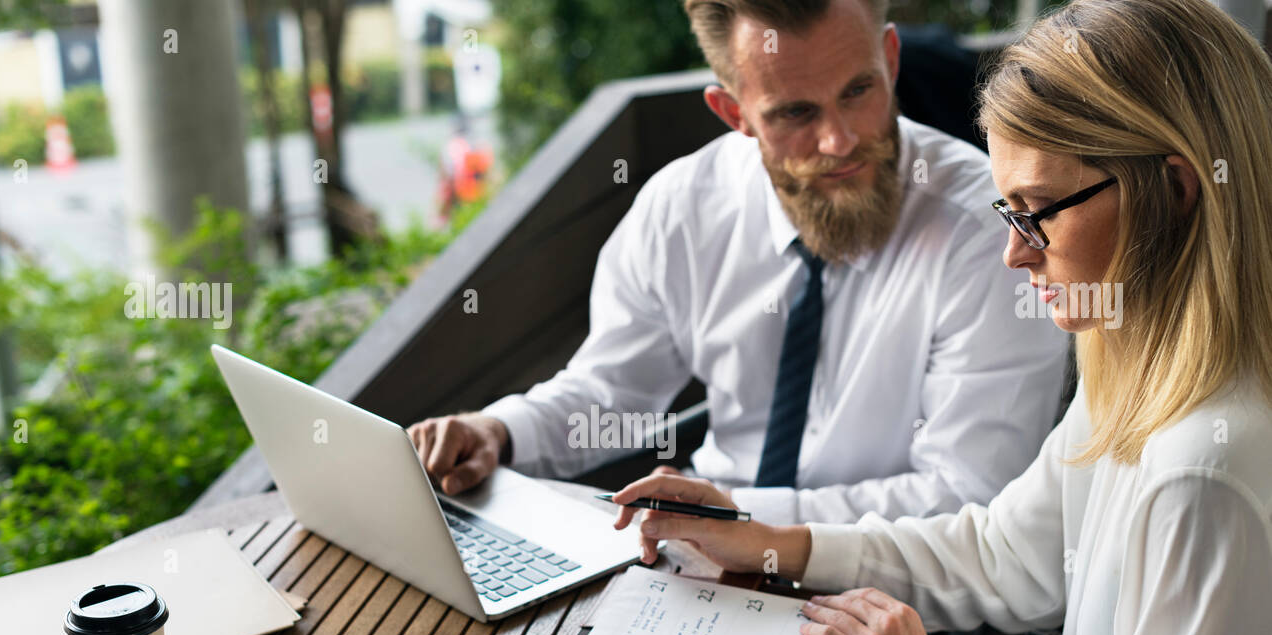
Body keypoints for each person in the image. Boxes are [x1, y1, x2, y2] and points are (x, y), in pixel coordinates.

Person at [608, 0, 1272, 635]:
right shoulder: (1142, 366)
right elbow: (1007, 553)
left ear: (1177, 190)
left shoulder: (1205, 470)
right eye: (1007, 211)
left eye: (1038, 212)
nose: (1015, 253)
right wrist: (780, 542)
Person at [408, 0, 1068, 529]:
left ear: (890, 60)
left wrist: (746, 520)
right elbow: (612, 393)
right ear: (733, 113)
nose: (839, 140)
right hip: (697, 561)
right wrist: (498, 430)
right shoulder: (680, 208)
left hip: (888, 598)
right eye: (796, 114)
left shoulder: (988, 232)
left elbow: (970, 498)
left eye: (858, 90)